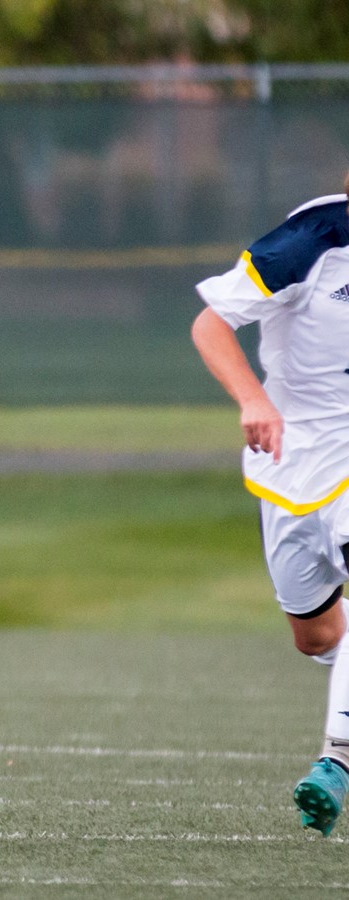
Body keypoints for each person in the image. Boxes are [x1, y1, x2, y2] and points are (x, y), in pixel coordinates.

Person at [192, 179, 349, 836]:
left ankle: (337, 762)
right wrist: (253, 400)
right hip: (288, 461)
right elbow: (210, 323)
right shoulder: (314, 239)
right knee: (316, 635)